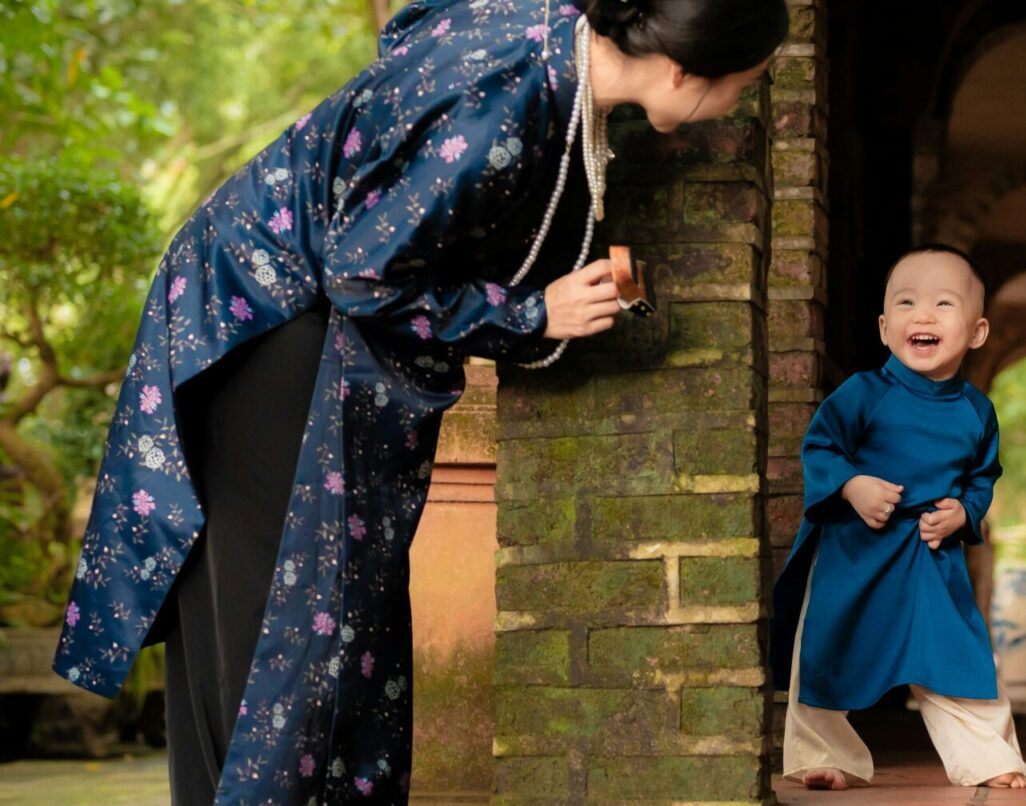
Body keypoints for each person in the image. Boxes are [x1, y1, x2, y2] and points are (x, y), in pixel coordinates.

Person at [52, 0, 788, 802]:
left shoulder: (545, 36)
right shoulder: (504, 103)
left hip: (269, 307)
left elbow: (410, 27)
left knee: (321, 637)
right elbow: (360, 274)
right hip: (271, 321)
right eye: (739, 87)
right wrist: (534, 313)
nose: (735, 105)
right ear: (682, 70)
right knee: (289, 645)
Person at [770, 244, 1026, 791]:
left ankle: (986, 756)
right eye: (908, 302)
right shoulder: (863, 393)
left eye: (944, 304)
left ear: (977, 332)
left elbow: (983, 479)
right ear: (886, 327)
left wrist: (963, 513)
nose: (924, 315)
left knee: (956, 653)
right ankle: (822, 753)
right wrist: (852, 485)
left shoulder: (976, 411)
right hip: (855, 549)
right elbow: (821, 448)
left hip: (929, 553)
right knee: (827, 646)